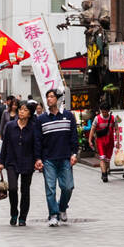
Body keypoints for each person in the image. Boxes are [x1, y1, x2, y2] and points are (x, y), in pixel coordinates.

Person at [0, 100, 42, 226]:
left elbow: (36, 145)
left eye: (25, 110)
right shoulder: (10, 126)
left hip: (28, 162)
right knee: (12, 188)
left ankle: (23, 217)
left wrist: (38, 159)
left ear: (30, 113)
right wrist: (1, 162)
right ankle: (14, 213)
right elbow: (5, 145)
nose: (21, 112)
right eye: (20, 109)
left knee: (25, 190)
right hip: (11, 161)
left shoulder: (33, 128)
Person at [39, 89, 78, 227]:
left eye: (51, 96)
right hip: (48, 159)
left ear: (57, 99)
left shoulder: (68, 116)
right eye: (47, 97)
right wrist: (38, 159)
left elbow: (74, 136)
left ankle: (62, 208)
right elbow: (38, 141)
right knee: (50, 188)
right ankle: (53, 215)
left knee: (68, 187)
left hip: (65, 157)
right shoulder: (42, 119)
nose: (49, 99)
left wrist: (74, 153)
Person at [89, 102, 117, 182]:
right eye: (103, 111)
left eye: (106, 112)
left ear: (109, 111)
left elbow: (117, 130)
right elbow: (92, 129)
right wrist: (90, 140)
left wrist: (117, 141)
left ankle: (104, 172)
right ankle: (104, 175)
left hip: (110, 141)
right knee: (102, 158)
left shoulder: (113, 118)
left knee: (107, 160)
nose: (104, 113)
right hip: (100, 141)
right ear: (101, 111)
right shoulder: (97, 118)